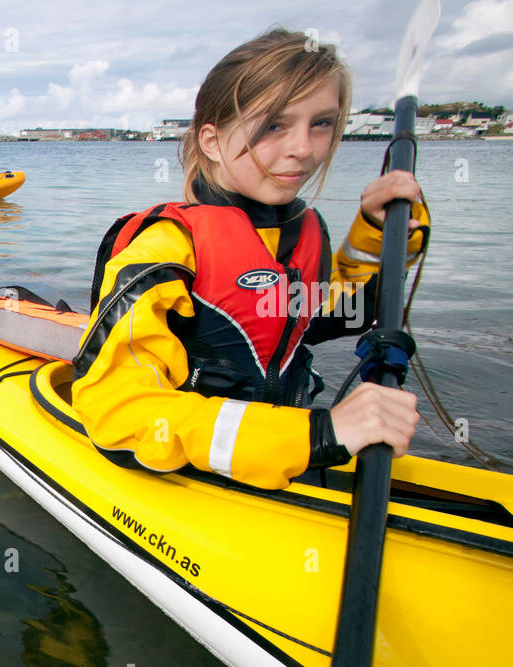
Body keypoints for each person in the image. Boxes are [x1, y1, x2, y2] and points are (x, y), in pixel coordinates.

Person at [70, 29, 428, 490]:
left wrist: (381, 234)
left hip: (289, 453)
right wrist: (321, 433)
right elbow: (117, 413)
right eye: (274, 125)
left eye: (321, 123)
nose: (304, 147)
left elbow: (329, 314)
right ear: (212, 141)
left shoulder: (304, 231)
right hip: (181, 473)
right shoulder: (165, 246)